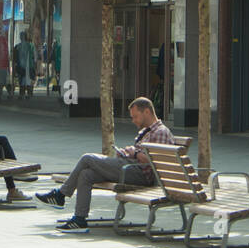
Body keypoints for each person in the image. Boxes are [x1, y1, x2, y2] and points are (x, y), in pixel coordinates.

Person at [36, 95, 175, 233]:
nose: (133, 120)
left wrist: (135, 154)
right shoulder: (148, 131)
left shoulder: (161, 132)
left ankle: (60, 195)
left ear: (147, 112)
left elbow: (157, 161)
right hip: (130, 168)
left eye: (135, 116)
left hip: (141, 175)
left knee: (87, 158)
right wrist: (128, 153)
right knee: (86, 174)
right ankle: (79, 220)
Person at [14, 31, 36, 99]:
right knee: (28, 81)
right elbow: (35, 57)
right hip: (28, 66)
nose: (21, 37)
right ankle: (29, 94)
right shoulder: (30, 46)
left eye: (22, 36)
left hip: (23, 67)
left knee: (22, 81)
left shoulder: (18, 46)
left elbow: (15, 58)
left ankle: (22, 94)